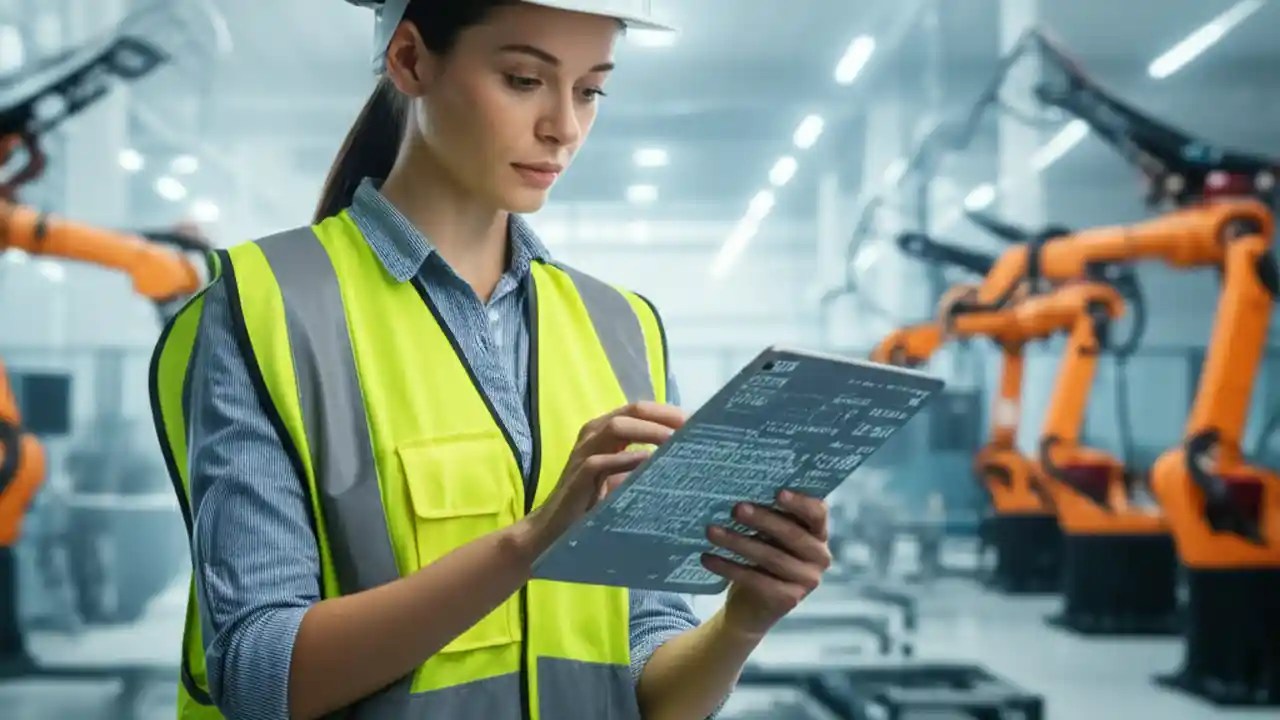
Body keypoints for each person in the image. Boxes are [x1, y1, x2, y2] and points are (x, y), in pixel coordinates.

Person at [149, 1, 834, 718]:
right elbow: (259, 676)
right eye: (522, 79)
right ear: (410, 60)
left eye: (590, 89)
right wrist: (530, 544)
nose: (563, 128)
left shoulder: (622, 327)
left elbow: (645, 679)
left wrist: (742, 622)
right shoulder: (269, 308)